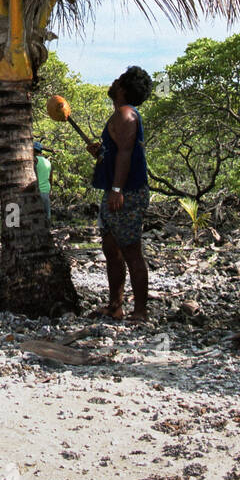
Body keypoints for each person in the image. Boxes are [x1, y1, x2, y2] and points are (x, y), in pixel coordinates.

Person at [86, 66, 152, 322]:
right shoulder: (121, 115)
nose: (113, 82)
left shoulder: (125, 115)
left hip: (127, 193)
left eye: (118, 80)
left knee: (131, 251)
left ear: (122, 88)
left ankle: (141, 312)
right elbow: (118, 152)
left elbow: (126, 153)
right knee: (111, 248)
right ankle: (116, 305)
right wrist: (102, 154)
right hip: (117, 191)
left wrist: (117, 189)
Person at [33, 141, 52, 223]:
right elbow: (51, 178)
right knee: (47, 214)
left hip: (37, 190)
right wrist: (51, 190)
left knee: (36, 215)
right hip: (46, 190)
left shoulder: (35, 160)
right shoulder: (48, 162)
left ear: (33, 150)